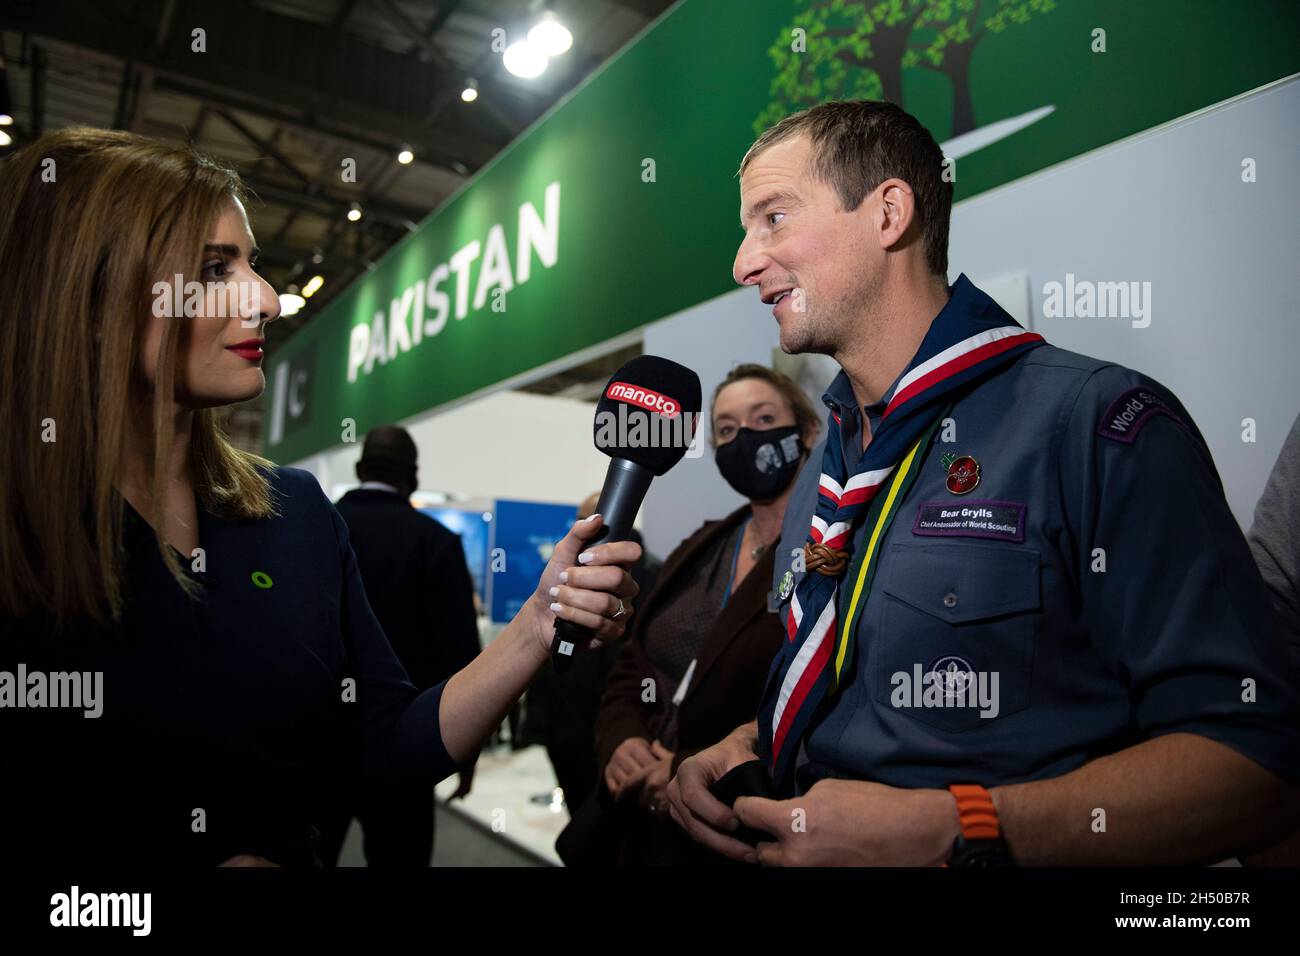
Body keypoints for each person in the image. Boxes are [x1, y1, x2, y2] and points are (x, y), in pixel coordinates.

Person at [666, 100, 1300, 866]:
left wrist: (956, 826)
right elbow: (847, 691)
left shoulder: (1099, 424)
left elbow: (1258, 761)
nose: (743, 262)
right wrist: (740, 745)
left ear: (888, 213)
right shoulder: (826, 468)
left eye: (771, 219)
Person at [0, 127, 639, 866]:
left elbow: (383, 742)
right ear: (90, 295)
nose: (267, 299)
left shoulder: (295, 512)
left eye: (253, 264)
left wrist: (537, 621)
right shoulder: (22, 529)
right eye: (214, 269)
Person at [592, 363, 820, 865]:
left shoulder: (830, 554)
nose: (745, 439)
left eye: (763, 419)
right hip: (641, 826)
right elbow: (636, 657)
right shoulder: (704, 543)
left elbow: (817, 697)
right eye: (727, 430)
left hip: (738, 827)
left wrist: (688, 763)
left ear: (806, 432)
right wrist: (623, 737)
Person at [315, 425, 483, 866]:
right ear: (412, 476)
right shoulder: (436, 542)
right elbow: (460, 653)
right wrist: (466, 753)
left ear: (358, 469)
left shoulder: (311, 527)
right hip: (403, 747)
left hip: (313, 746)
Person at [522, 492, 661, 815]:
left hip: (615, 728)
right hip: (566, 728)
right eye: (582, 522)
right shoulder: (565, 570)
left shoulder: (651, 575)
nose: (585, 530)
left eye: (593, 523)